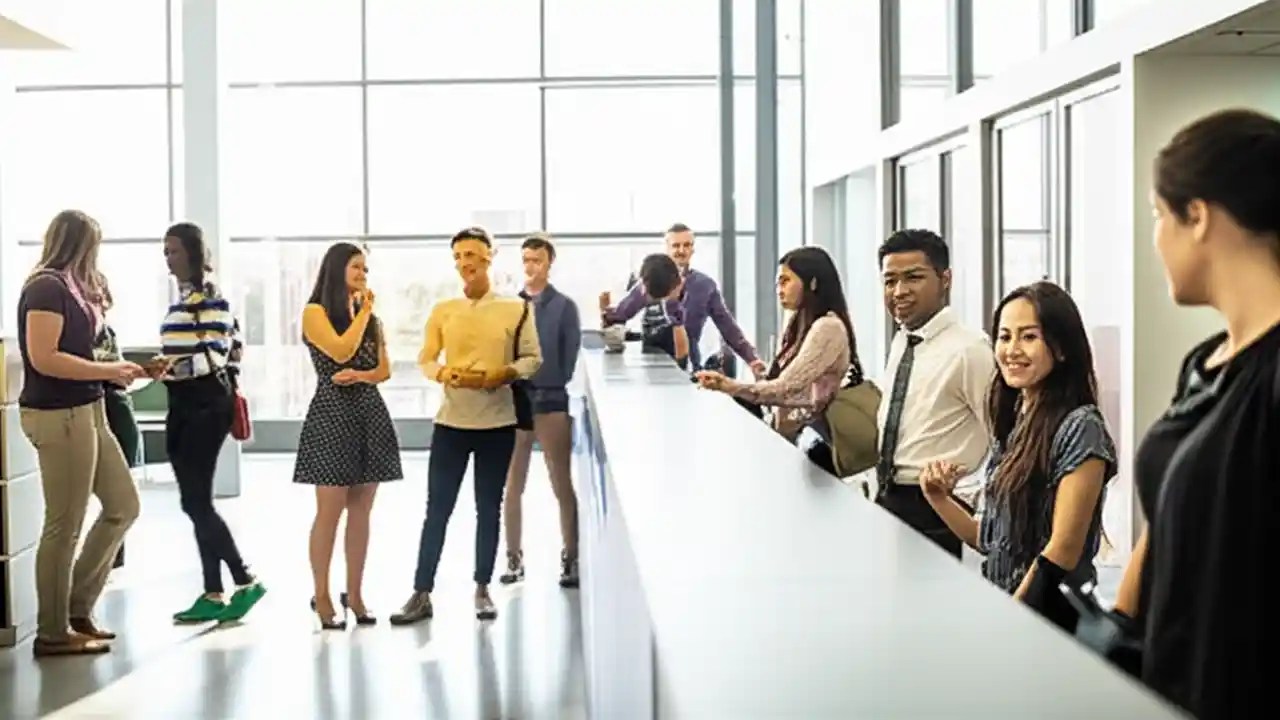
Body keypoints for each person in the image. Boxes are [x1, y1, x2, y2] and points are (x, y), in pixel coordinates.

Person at [1109, 108, 1280, 718]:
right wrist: (1116, 632)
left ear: (1198, 216)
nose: (1156, 237)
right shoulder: (1204, 363)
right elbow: (1164, 526)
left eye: (1160, 216)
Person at [920, 281, 1115, 624]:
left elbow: (1062, 553)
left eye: (1028, 337)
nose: (1012, 350)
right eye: (1004, 336)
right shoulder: (1014, 422)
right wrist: (938, 497)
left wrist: (1011, 617)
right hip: (1012, 614)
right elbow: (992, 542)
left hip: (1052, 620)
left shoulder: (1081, 427)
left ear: (1062, 347)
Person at [392, 226, 542, 624]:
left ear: (490, 256)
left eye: (472, 255)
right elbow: (425, 358)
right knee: (436, 510)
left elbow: (532, 358)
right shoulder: (443, 310)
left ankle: (482, 589)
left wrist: (503, 373)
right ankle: (421, 592)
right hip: (451, 424)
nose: (465, 264)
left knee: (487, 508)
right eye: (458, 257)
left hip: (498, 423)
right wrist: (443, 375)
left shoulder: (516, 308)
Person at [17, 210, 143, 656]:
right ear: (78, 243)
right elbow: (43, 357)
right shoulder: (46, 287)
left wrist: (116, 371)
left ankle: (75, 609)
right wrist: (109, 369)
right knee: (64, 523)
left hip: (88, 409)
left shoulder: (75, 288)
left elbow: (80, 352)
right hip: (59, 414)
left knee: (123, 505)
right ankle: (53, 632)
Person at [156, 222, 266, 624]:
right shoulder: (182, 300)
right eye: (165, 251)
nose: (168, 258)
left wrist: (170, 366)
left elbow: (218, 356)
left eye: (174, 251)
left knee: (196, 501)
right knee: (196, 501)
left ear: (194, 253)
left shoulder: (213, 299)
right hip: (181, 402)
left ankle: (243, 578)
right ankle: (214, 592)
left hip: (204, 403)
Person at [294, 242, 402, 629]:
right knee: (330, 508)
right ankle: (321, 595)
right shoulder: (315, 312)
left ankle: (354, 593)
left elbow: (384, 370)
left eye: (366, 269)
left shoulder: (371, 319)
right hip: (331, 412)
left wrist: (361, 375)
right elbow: (341, 351)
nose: (362, 275)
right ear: (336, 269)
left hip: (368, 412)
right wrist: (365, 314)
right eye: (356, 267)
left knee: (362, 509)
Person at [875, 229, 994, 558]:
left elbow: (1005, 437)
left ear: (946, 279)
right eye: (889, 281)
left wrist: (967, 495)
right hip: (889, 495)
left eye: (913, 278)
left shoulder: (970, 350)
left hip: (938, 505)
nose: (899, 291)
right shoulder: (903, 339)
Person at [695, 247, 860, 452]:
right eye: (777, 283)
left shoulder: (828, 327)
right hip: (791, 439)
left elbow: (787, 387)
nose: (779, 290)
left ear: (813, 282)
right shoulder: (797, 322)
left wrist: (730, 386)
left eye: (785, 281)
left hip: (815, 446)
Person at [502, 233, 582, 588]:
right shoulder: (510, 306)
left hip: (551, 404)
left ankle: (571, 556)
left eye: (537, 259)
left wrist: (538, 376)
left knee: (560, 483)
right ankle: (513, 557)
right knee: (511, 486)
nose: (531, 265)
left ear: (549, 262)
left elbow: (566, 363)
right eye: (526, 260)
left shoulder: (564, 307)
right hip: (515, 404)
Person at [600, 223, 763, 373]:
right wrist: (607, 315)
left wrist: (752, 359)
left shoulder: (705, 286)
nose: (681, 250)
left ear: (693, 248)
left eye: (687, 245)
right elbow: (621, 314)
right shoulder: (650, 281)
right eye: (676, 245)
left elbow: (728, 327)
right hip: (651, 365)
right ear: (667, 248)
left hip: (688, 367)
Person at [91, 277, 142, 571]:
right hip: (101, 407)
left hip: (119, 407)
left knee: (122, 488)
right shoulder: (82, 331)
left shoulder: (106, 330)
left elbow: (116, 372)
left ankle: (115, 556)